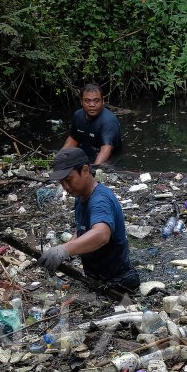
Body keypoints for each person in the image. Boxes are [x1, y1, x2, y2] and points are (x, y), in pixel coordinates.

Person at [39, 147, 140, 293]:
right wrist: (65, 251)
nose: (66, 187)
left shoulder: (99, 200)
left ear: (85, 171)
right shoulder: (81, 196)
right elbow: (83, 229)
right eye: (62, 182)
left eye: (69, 180)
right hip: (96, 278)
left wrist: (64, 250)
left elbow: (101, 234)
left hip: (118, 282)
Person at [63, 84, 122, 165]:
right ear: (81, 101)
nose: (92, 105)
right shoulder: (78, 116)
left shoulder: (109, 121)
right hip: (87, 154)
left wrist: (94, 168)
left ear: (103, 101)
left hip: (109, 159)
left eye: (96, 100)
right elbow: (72, 140)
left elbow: (106, 151)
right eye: (87, 101)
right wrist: (60, 158)